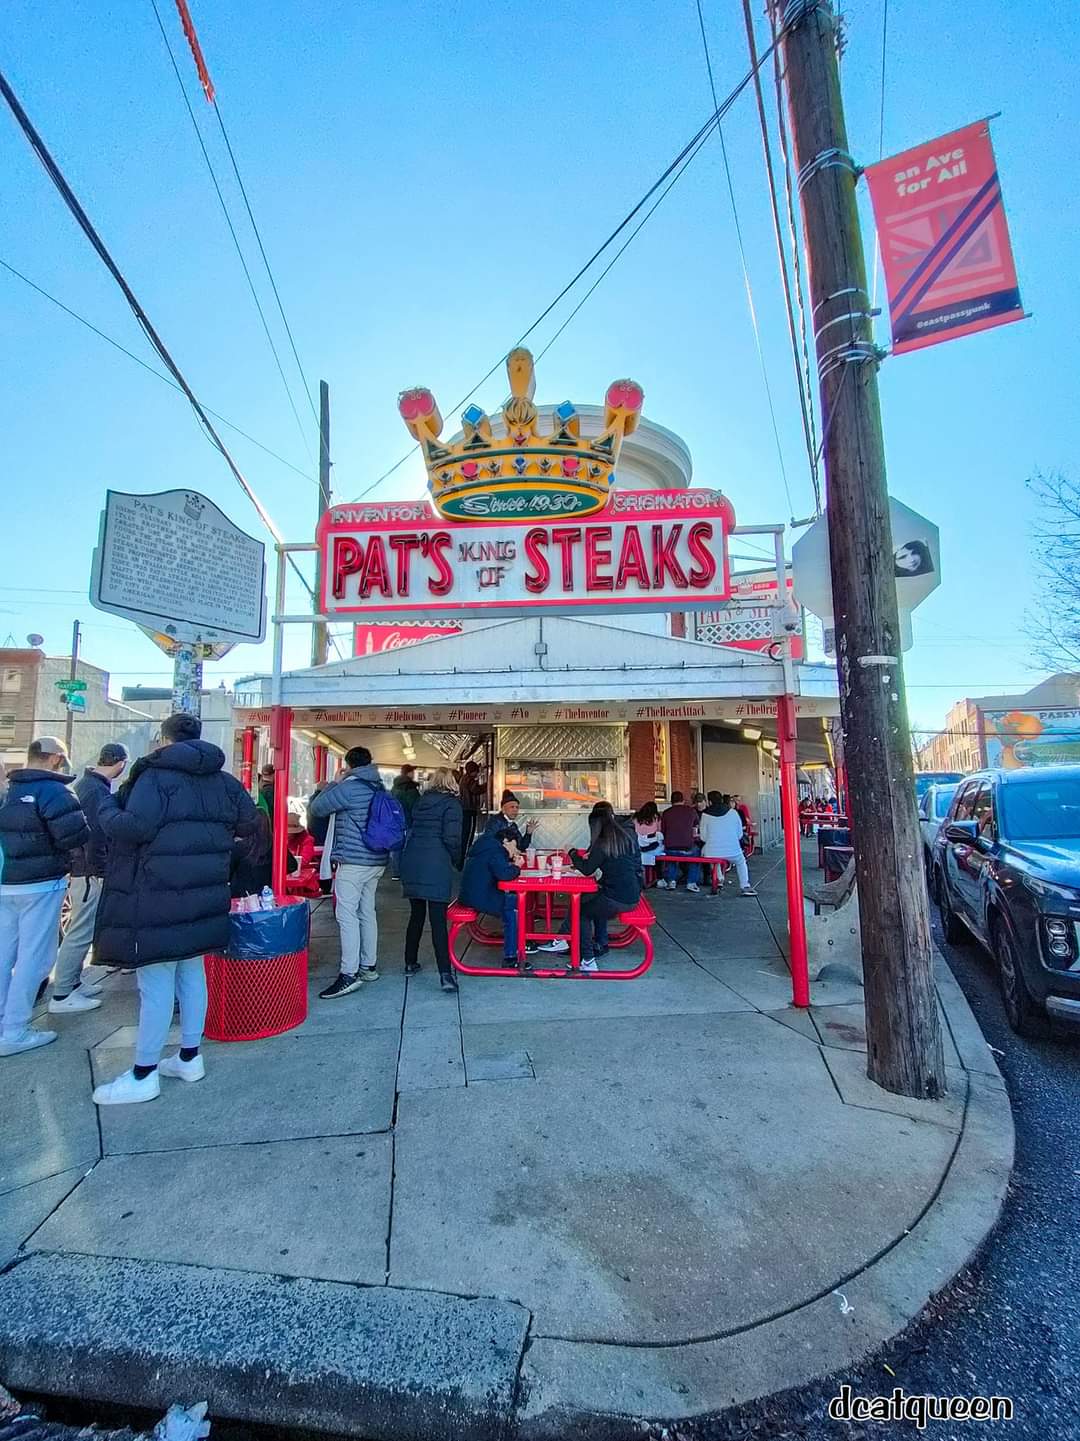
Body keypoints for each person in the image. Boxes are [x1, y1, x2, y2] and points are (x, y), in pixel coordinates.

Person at [90, 712, 259, 1104]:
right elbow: (249, 822)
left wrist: (106, 808)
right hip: (205, 895)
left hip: (156, 895)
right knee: (192, 973)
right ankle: (189, 1057)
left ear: (164, 740)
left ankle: (144, 1073)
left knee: (155, 984)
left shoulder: (153, 777)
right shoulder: (224, 781)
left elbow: (134, 827)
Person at [0, 737, 90, 1056]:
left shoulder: (8, 790)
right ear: (54, 759)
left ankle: (5, 1020)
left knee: (4, 954)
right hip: (42, 884)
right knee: (35, 957)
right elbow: (76, 835)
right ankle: (14, 1029)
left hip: (7, 881)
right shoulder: (54, 790)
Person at [49, 742, 129, 1013]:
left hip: (84, 870)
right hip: (88, 872)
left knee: (81, 929)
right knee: (80, 932)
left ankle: (72, 983)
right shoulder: (96, 792)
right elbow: (95, 836)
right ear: (121, 763)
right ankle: (63, 993)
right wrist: (101, 869)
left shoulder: (88, 786)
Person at [309, 746, 393, 998]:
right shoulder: (378, 786)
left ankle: (349, 974)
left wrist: (333, 784)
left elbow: (317, 808)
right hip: (376, 860)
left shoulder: (349, 787)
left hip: (354, 862)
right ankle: (369, 966)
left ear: (348, 765)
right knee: (366, 912)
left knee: (346, 916)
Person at [539, 808, 642, 972]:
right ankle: (562, 939)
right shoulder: (621, 838)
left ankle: (587, 960)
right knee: (582, 899)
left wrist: (571, 852)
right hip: (631, 895)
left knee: (580, 911)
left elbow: (587, 869)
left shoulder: (602, 843)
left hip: (617, 899)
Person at [399, 767, 463, 991]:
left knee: (416, 915)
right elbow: (452, 838)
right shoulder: (452, 804)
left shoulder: (420, 802)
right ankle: (445, 975)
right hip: (436, 863)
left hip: (413, 860)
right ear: (451, 782)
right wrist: (456, 860)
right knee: (438, 921)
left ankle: (410, 962)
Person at [459, 822, 535, 969]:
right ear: (506, 841)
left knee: (514, 901)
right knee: (513, 907)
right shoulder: (497, 851)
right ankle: (511, 957)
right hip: (477, 896)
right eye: (514, 846)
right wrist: (517, 866)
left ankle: (520, 941)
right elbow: (504, 875)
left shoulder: (488, 846)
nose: (516, 851)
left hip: (471, 894)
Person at [698, 792, 757, 896]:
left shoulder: (705, 815)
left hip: (712, 851)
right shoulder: (733, 813)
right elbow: (739, 835)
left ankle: (719, 878)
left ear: (709, 802)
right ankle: (745, 886)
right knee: (741, 862)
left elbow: (703, 837)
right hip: (733, 851)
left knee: (710, 855)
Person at [657, 791, 702, 892]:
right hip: (688, 847)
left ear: (671, 801)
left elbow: (663, 831)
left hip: (670, 847)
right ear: (683, 800)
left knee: (671, 860)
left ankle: (671, 881)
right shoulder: (691, 811)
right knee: (696, 855)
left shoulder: (666, 813)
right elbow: (696, 827)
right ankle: (691, 882)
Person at [458, 760, 484, 856]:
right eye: (476, 771)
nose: (477, 774)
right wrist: (488, 784)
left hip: (465, 809)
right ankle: (465, 857)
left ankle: (462, 857)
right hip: (469, 810)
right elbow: (476, 790)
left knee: (465, 834)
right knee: (469, 835)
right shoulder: (470, 780)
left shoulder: (463, 779)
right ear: (473, 771)